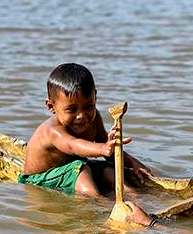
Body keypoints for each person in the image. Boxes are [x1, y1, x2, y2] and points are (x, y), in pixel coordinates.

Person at [20, 63, 152, 197]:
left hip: (75, 169)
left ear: (95, 96)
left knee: (107, 170)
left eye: (88, 107)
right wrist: (102, 148)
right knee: (80, 168)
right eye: (72, 109)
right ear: (51, 106)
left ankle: (134, 195)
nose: (81, 116)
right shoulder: (54, 130)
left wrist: (134, 163)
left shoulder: (94, 119)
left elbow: (109, 151)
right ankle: (98, 201)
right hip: (40, 178)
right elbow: (73, 145)